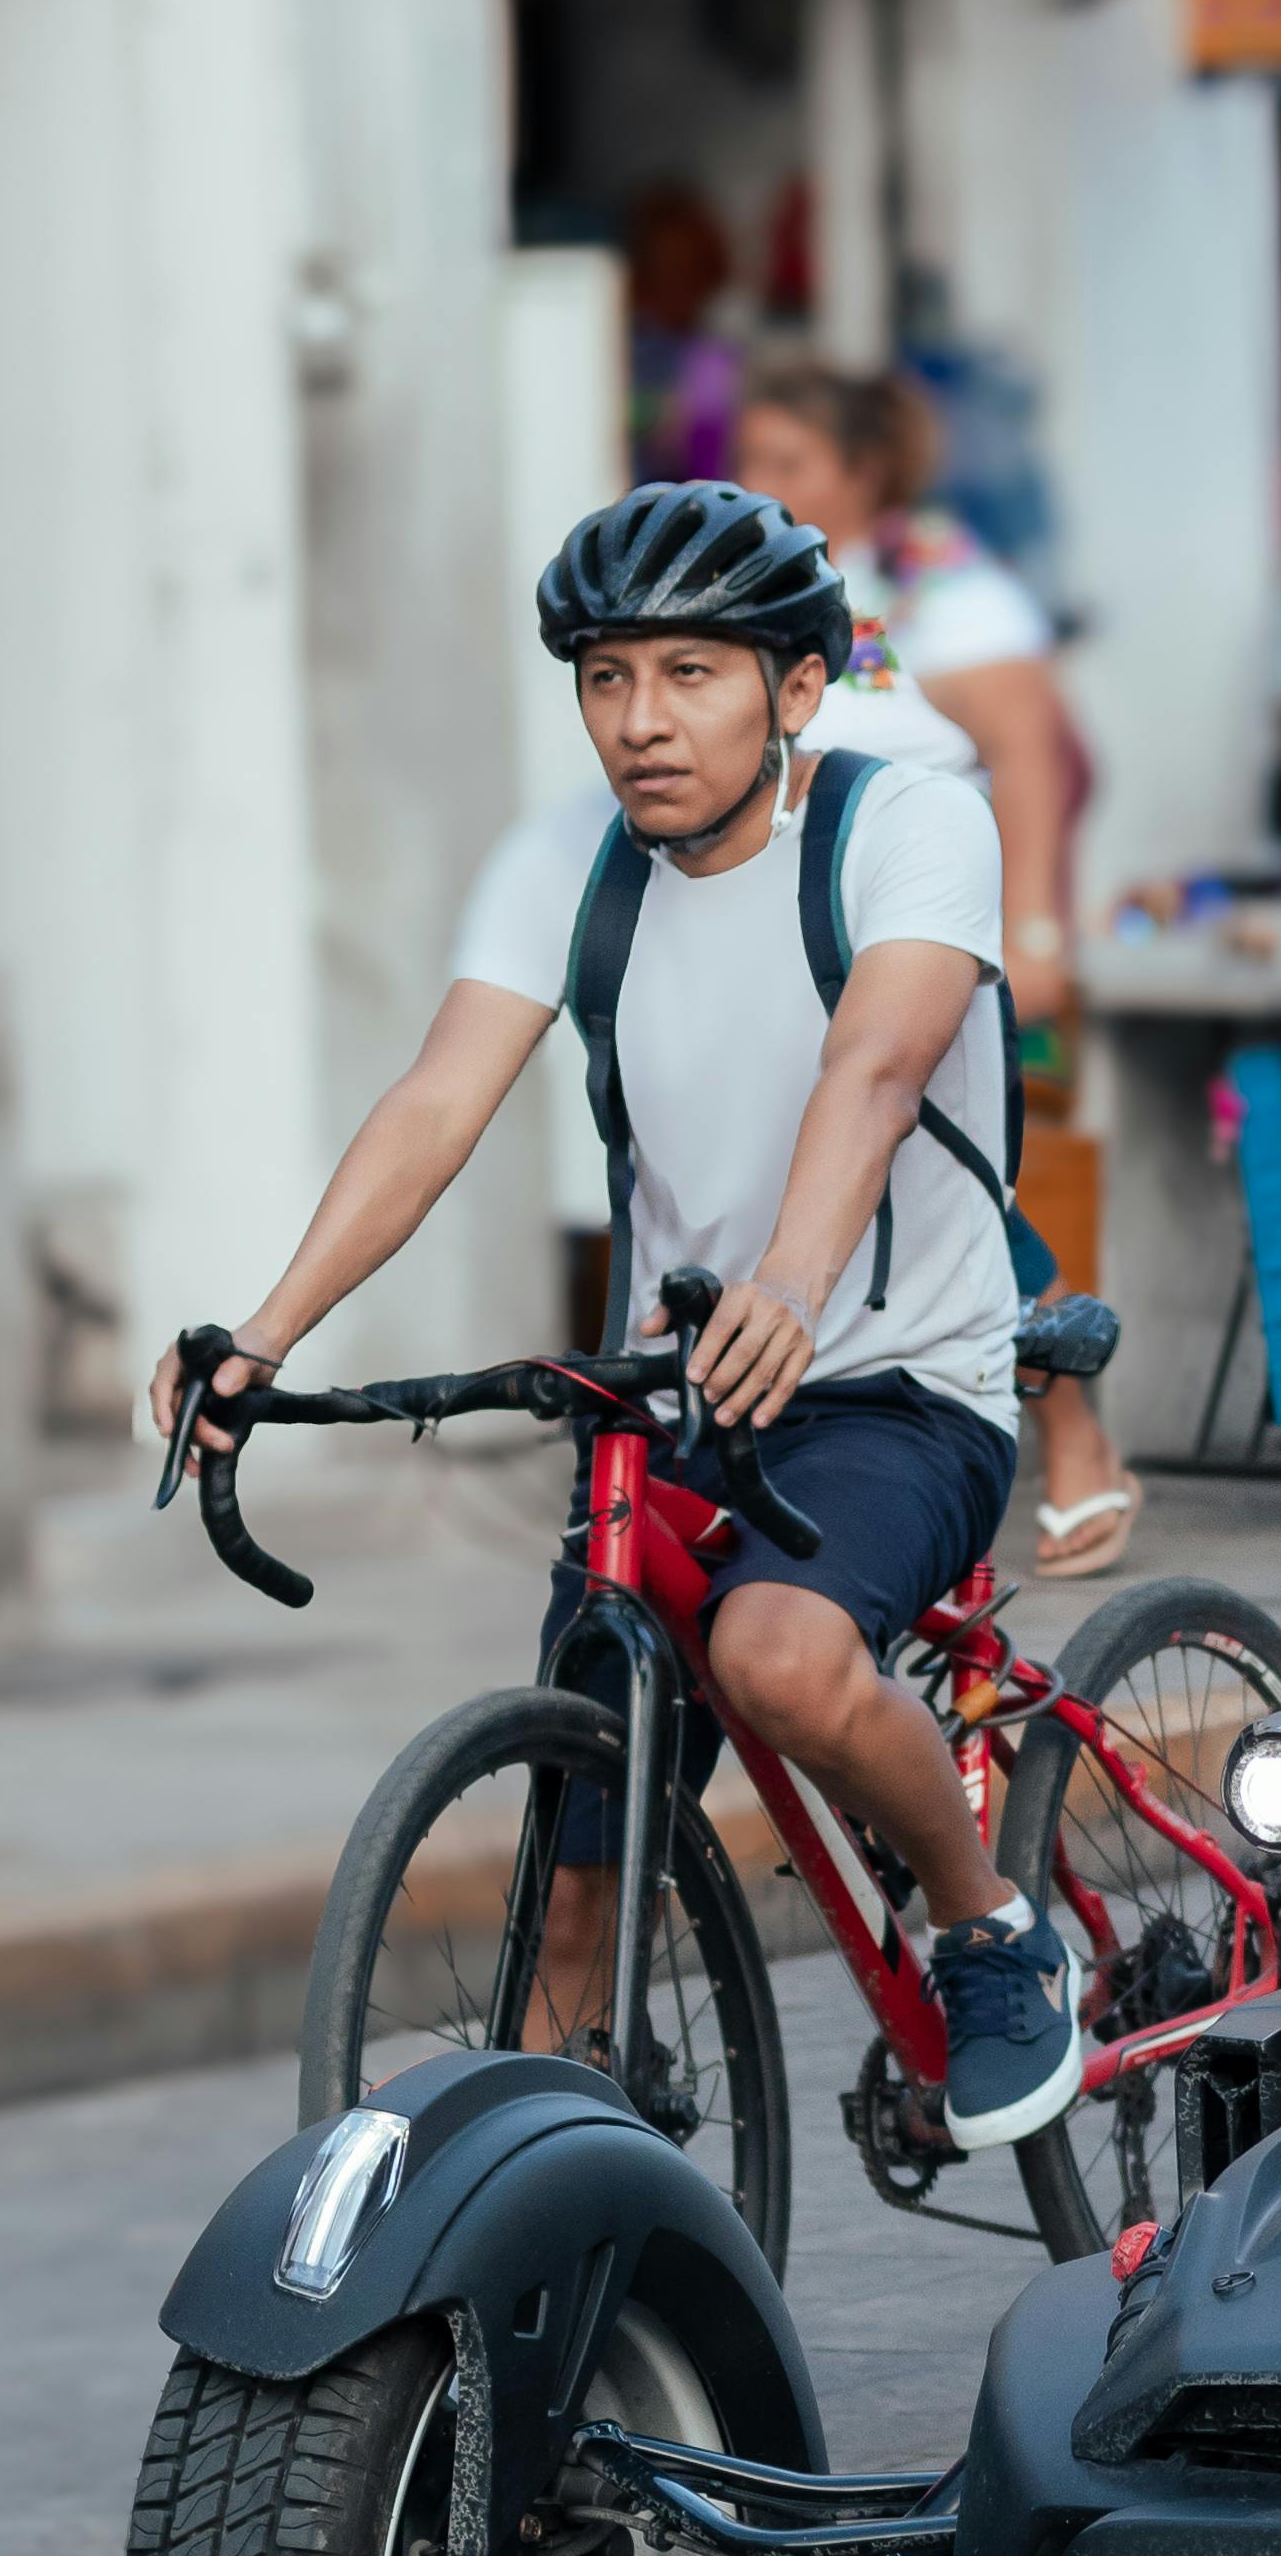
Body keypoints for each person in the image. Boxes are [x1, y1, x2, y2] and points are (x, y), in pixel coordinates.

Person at [149, 482, 1079, 2154]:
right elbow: (438, 1100)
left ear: (797, 687)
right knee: (573, 1882)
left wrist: (794, 1278)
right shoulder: (561, 868)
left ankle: (986, 1920)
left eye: (689, 673)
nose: (638, 721)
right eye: (603, 676)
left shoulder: (908, 824)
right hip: (666, 1399)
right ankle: (537, 2271)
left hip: (896, 1388)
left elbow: (872, 1070)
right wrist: (265, 1335)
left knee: (774, 1655)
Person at [732, 362, 1135, 1579]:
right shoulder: (738, 578)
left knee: (958, 1192)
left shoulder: (935, 584)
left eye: (791, 463)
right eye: (751, 456)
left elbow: (1030, 759)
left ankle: (1074, 1429)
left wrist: (1036, 932)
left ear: (861, 473)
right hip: (775, 948)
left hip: (915, 943)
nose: (762, 485)